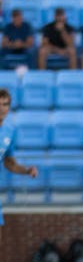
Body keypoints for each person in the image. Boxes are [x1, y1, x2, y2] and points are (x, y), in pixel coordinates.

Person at [0, 88, 38, 231]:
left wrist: (27, 170)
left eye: (5, 104)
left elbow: (9, 163)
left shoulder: (10, 131)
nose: (2, 108)